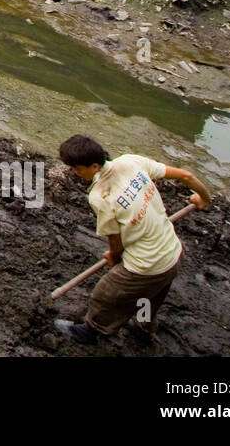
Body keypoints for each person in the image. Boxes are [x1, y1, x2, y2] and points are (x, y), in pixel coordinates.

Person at [53, 135, 211, 345]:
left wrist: (114, 257)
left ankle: (91, 331)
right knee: (150, 295)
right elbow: (186, 176)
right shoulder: (131, 161)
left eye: (77, 168)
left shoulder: (100, 195)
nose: (75, 173)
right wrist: (204, 199)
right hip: (172, 253)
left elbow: (115, 239)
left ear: (93, 166)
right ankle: (144, 325)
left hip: (146, 264)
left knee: (104, 295)